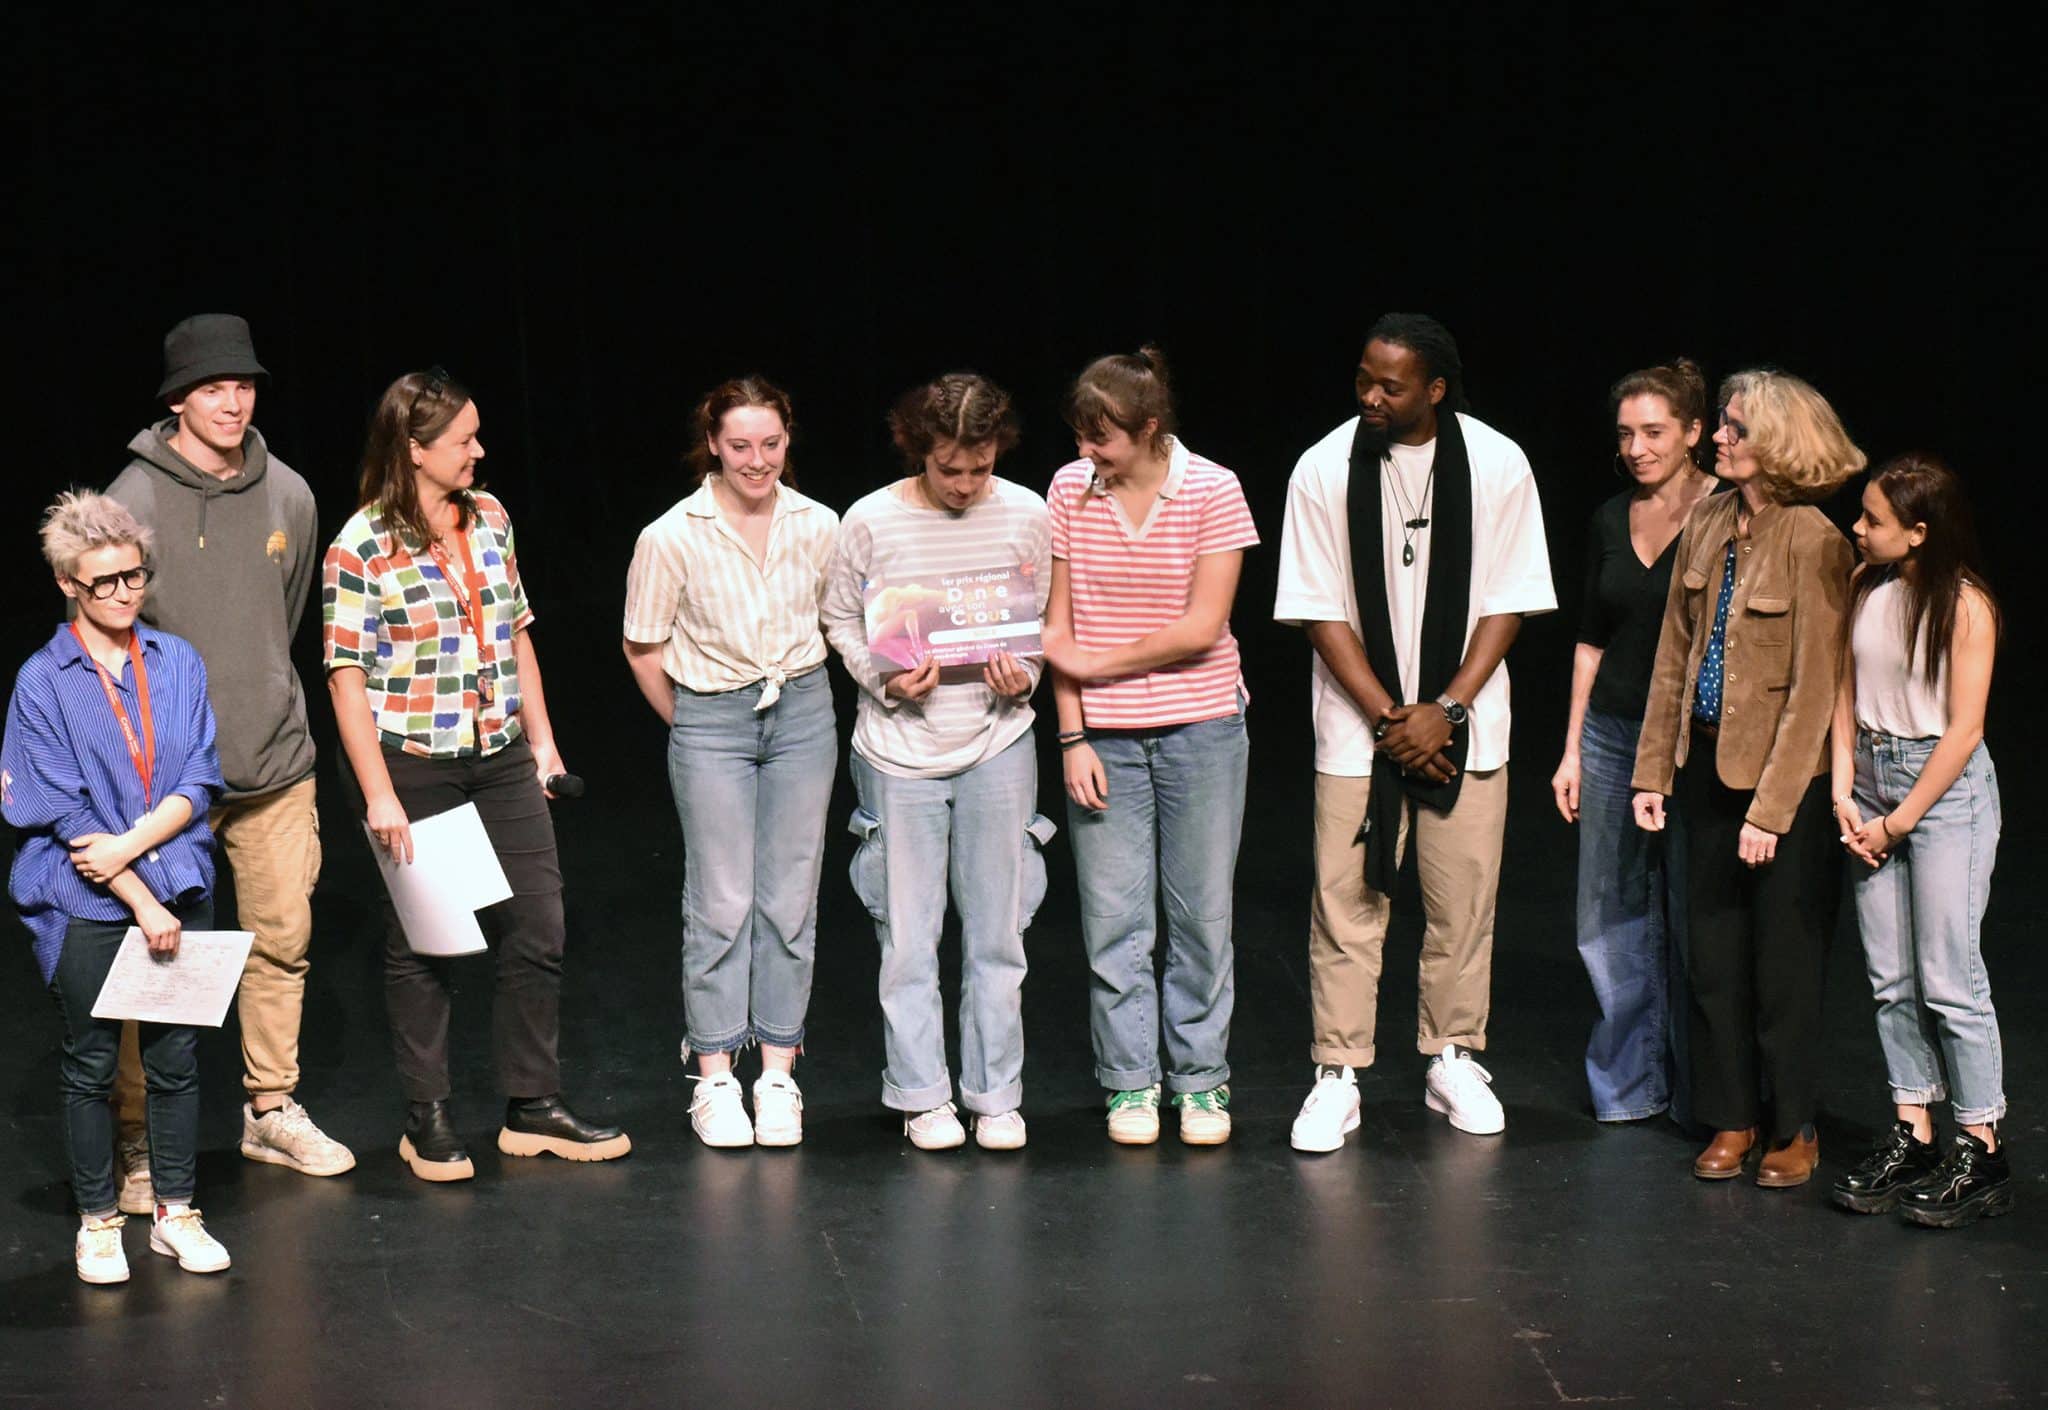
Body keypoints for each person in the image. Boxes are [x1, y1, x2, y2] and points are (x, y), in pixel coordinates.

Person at [324, 368, 628, 1182]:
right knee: (429, 944)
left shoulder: (489, 516)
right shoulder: (360, 546)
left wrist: (545, 746)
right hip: (413, 764)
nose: (479, 451)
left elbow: (516, 633)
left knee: (540, 926)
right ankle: (426, 1117)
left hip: (497, 758)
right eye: (463, 440)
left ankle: (532, 1106)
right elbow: (346, 678)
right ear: (414, 449)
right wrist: (379, 792)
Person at [1274, 314, 1556, 1152]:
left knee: (1462, 902)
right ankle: (1338, 1072)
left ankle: (1453, 1057)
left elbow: (1511, 597)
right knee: (1347, 903)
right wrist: (1392, 718)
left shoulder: (1498, 462)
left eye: (1390, 385)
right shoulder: (1324, 467)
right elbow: (1319, 611)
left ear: (1435, 388)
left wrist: (1449, 709)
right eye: (1364, 378)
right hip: (1359, 732)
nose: (1370, 396)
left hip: (1467, 726)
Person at [103, 314, 353, 1211]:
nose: (232, 401)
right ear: (178, 399)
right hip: (171, 781)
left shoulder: (288, 492)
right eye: (213, 388)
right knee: (157, 957)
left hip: (276, 764)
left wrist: (262, 705)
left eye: (243, 385)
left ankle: (269, 1107)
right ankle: (136, 1139)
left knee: (282, 941)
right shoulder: (132, 498)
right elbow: (113, 634)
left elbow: (280, 623)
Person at [1632, 369, 1861, 1188]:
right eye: (1722, 425)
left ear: (1780, 445)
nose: (1719, 437)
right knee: (1714, 961)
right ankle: (1732, 1116)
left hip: (1780, 791)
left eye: (1734, 428)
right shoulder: (1710, 520)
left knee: (1785, 967)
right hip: (1703, 773)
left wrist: (1771, 809)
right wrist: (1651, 769)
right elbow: (1672, 654)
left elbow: (1816, 691)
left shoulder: (1817, 540)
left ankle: (1793, 1124)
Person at [3, 492, 230, 1283]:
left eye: (134, 576)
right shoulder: (43, 680)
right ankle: (98, 1221)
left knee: (175, 1061)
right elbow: (60, 809)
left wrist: (137, 852)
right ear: (69, 583)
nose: (125, 593)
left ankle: (175, 1212)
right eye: (104, 582)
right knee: (91, 1065)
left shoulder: (178, 662)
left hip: (176, 879)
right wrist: (139, 899)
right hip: (85, 896)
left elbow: (200, 776)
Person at [824, 372, 1053, 1151]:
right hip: (898, 751)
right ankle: (923, 1095)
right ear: (917, 449)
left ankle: (995, 1094)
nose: (963, 484)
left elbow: (1039, 618)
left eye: (979, 468)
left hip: (996, 741)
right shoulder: (870, 520)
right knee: (909, 936)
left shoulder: (1026, 513)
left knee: (998, 931)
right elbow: (838, 616)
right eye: (948, 468)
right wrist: (882, 678)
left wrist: (1027, 673)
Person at [1042, 347, 1257, 1147]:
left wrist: (1101, 664)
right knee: (1114, 920)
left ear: (1151, 428)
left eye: (1103, 439)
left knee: (1201, 915)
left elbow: (1204, 626)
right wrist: (1073, 732)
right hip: (1104, 739)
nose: (1086, 453)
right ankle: (1131, 1081)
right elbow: (1056, 628)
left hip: (1202, 727)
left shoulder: (1212, 488)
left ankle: (1200, 1080)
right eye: (1081, 436)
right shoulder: (1070, 490)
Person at [623, 376, 839, 1149]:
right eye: (740, 445)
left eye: (771, 444)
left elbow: (841, 619)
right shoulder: (673, 533)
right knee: (721, 901)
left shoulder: (818, 523)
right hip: (713, 713)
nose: (757, 461)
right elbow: (643, 646)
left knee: (790, 898)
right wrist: (695, 725)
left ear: (788, 440)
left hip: (804, 712)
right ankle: (715, 1075)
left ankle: (778, 1071)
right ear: (712, 442)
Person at [1829, 454, 2010, 1226]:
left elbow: (1965, 730)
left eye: (1873, 519)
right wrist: (1842, 787)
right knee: (1889, 978)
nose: (1858, 528)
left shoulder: (1967, 607)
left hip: (1942, 794)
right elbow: (1844, 693)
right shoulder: (1863, 586)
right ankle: (1915, 1127)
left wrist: (1899, 820)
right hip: (1870, 776)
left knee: (1949, 976)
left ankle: (1982, 1146)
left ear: (1919, 532)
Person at [1551, 360, 1717, 1124]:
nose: (1638, 447)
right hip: (1615, 732)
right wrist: (1573, 747)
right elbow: (1591, 638)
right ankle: (1628, 1087)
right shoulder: (1611, 518)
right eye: (1626, 434)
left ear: (1693, 431)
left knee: (1691, 911)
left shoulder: (1728, 513)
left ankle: (1702, 1094)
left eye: (1654, 431)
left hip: (1696, 739)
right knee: (1608, 913)